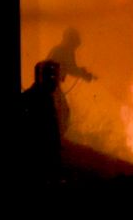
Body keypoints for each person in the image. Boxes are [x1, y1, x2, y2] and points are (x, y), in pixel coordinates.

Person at [20, 59, 65, 187]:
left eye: (56, 76)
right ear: (41, 77)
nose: (55, 81)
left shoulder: (41, 98)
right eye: (51, 76)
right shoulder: (36, 100)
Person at [44, 26, 95, 137]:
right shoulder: (65, 50)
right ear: (71, 40)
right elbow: (72, 69)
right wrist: (85, 75)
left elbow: (70, 67)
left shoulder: (57, 49)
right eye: (75, 43)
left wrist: (82, 73)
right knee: (63, 112)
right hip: (51, 87)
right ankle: (57, 137)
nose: (75, 48)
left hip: (48, 85)